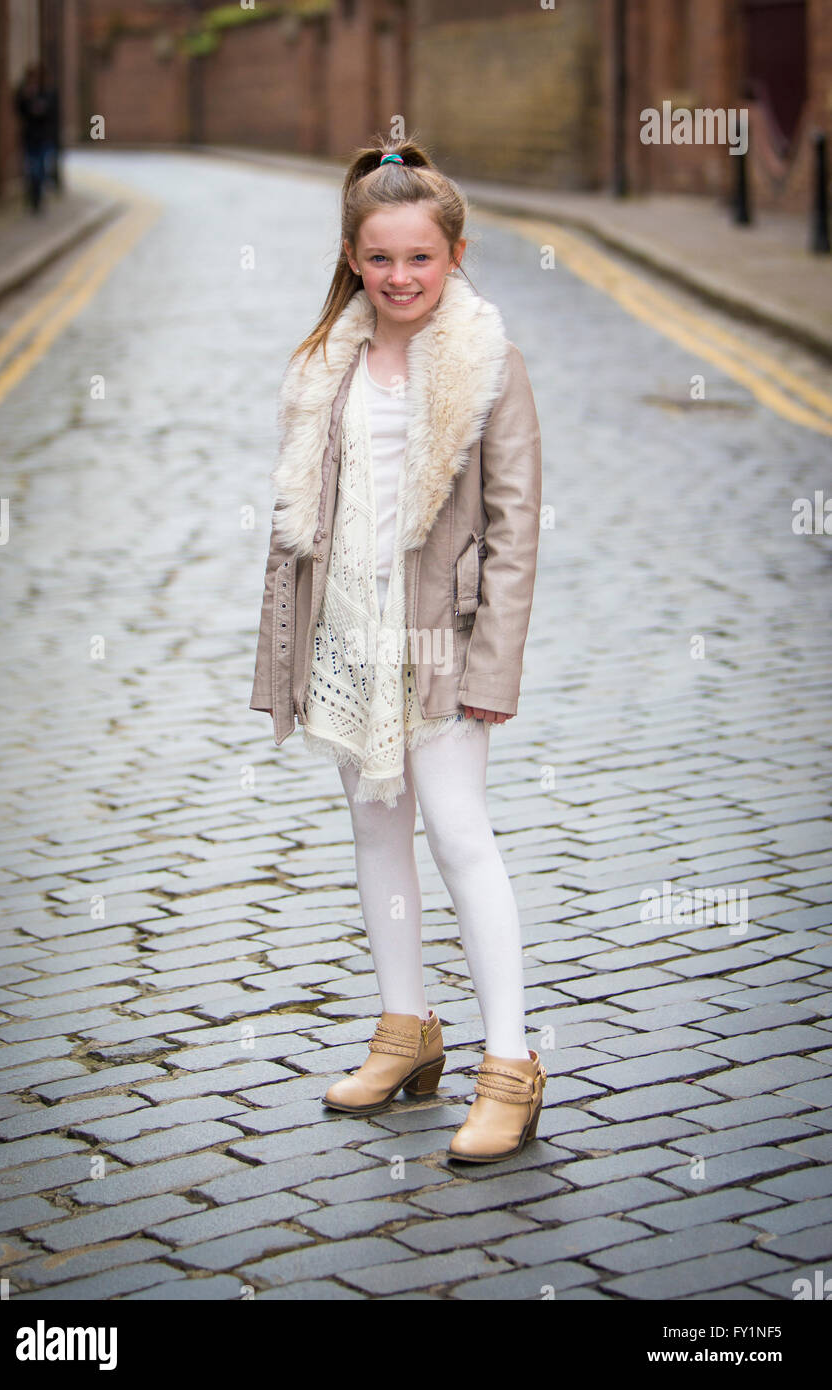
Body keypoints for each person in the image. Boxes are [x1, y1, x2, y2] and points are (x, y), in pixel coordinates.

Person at [249, 135, 545, 1163]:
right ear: (350, 257)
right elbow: (304, 516)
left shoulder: (487, 365)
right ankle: (405, 1028)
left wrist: (493, 666)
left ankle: (508, 1063)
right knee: (376, 833)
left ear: (453, 255)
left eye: (419, 257)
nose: (400, 276)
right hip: (350, 635)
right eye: (380, 259)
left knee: (459, 833)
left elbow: (514, 530)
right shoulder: (326, 361)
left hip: (442, 643)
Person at [14, 64, 53, 213]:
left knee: (41, 169)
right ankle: (33, 199)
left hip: (43, 138)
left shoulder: (45, 92)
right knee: (33, 169)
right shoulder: (24, 94)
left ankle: (38, 199)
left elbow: (50, 111)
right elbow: (20, 110)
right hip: (30, 138)